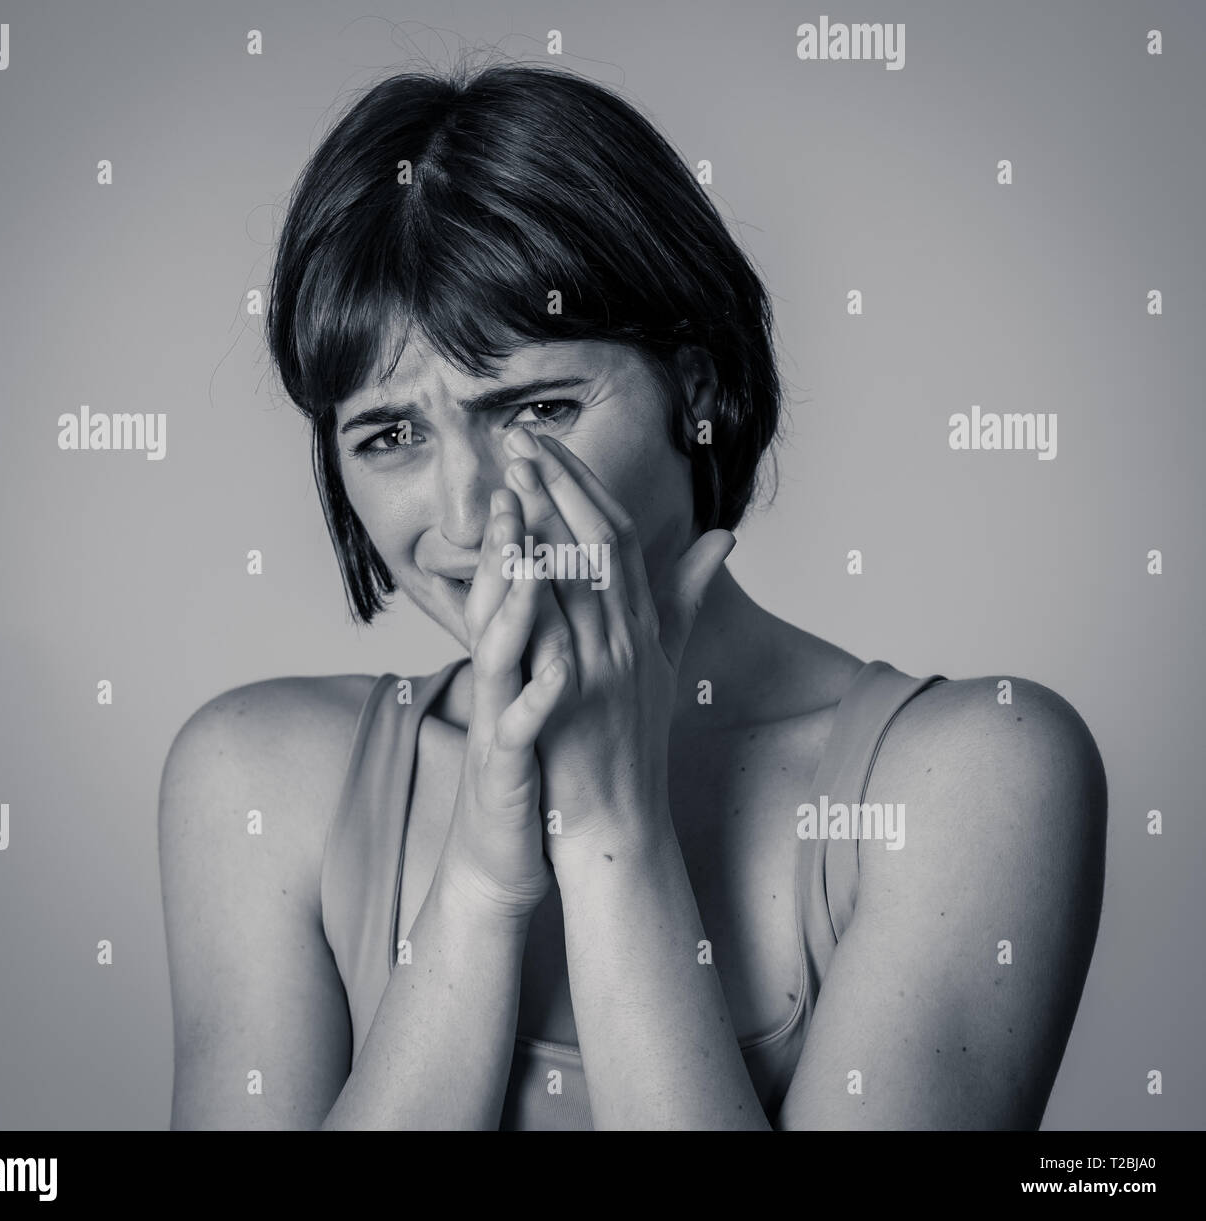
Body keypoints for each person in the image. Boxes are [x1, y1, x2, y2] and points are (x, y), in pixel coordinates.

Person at [158, 60, 1107, 1130]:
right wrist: (479, 885)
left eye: (533, 409)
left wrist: (614, 835)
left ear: (694, 392)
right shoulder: (256, 776)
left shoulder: (975, 773)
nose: (469, 515)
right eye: (391, 435)